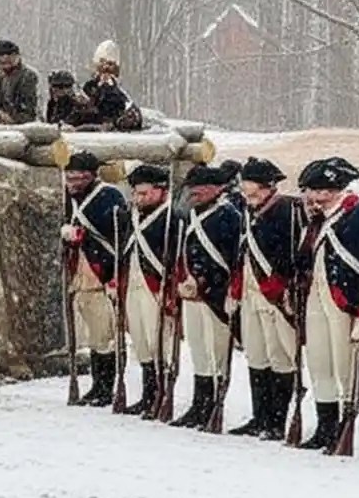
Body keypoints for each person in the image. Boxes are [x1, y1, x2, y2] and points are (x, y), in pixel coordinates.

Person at [295, 157, 359, 450]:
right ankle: (325, 427)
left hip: (345, 300)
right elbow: (303, 259)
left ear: (331, 189)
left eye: (315, 190)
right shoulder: (318, 218)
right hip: (318, 296)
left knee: (344, 364)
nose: (310, 196)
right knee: (319, 362)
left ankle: (344, 423)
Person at [229, 158, 301, 440]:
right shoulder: (248, 211)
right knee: (256, 355)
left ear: (269, 187)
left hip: (274, 295)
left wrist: (281, 284)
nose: (250, 196)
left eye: (254, 191)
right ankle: (260, 417)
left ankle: (277, 420)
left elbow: (292, 253)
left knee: (279, 355)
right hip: (250, 293)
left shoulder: (287, 210)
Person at [173, 164, 243, 429]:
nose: (195, 192)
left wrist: (207, 281)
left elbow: (233, 258)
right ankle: (199, 404)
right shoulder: (190, 216)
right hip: (193, 295)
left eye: (202, 188)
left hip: (216, 295)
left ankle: (215, 404)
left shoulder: (229, 216)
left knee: (216, 352)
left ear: (218, 189)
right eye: (193, 188)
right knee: (199, 350)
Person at [60, 151, 124, 406]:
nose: (72, 183)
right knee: (94, 337)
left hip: (101, 274)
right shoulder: (71, 199)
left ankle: (107, 386)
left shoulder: (109, 196)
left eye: (78, 178)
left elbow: (116, 236)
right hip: (81, 275)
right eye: (70, 178)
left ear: (91, 176)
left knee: (104, 336)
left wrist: (80, 235)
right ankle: (98, 385)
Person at [119, 164, 182, 417]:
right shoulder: (132, 216)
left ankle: (161, 396)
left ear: (161, 191)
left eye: (145, 194)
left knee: (159, 344)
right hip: (134, 286)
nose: (138, 199)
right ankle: (148, 395)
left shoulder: (172, 219)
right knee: (142, 342)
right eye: (136, 194)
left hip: (156, 287)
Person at [81, 40, 143, 130]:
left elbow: (129, 113)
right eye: (102, 62)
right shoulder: (87, 89)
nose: (105, 67)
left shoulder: (120, 95)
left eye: (110, 64)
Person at [0, 40, 40, 124]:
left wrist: (12, 118)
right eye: (2, 63)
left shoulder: (27, 76)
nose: (5, 66)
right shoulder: (2, 78)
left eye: (8, 62)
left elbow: (29, 110)